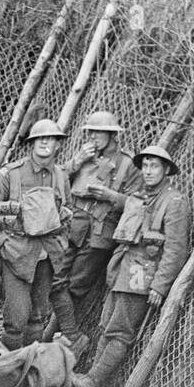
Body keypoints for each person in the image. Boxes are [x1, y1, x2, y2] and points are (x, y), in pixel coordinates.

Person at [70, 144, 191, 387]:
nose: (148, 171)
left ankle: (94, 382)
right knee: (106, 325)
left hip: (142, 276)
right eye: (145, 166)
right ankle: (91, 378)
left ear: (166, 170)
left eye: (154, 166)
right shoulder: (140, 196)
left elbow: (176, 249)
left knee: (120, 332)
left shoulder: (174, 202)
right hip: (122, 269)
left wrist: (159, 285)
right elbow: (128, 203)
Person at [0, 118, 83, 352]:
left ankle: (29, 370)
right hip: (16, 256)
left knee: (37, 318)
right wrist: (1, 243)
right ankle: (4, 367)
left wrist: (61, 243)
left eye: (50, 138)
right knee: (17, 319)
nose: (45, 142)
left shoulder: (61, 177)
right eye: (40, 138)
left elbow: (68, 213)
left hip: (48, 257)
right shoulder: (10, 175)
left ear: (58, 144)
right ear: (32, 143)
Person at [62, 112, 142, 316]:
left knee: (76, 285)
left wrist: (112, 196)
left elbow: (138, 204)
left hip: (100, 231)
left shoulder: (129, 163)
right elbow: (57, 181)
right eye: (90, 133)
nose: (92, 137)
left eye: (98, 133)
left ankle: (57, 334)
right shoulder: (83, 156)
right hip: (73, 224)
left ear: (112, 135)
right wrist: (76, 162)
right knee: (54, 276)